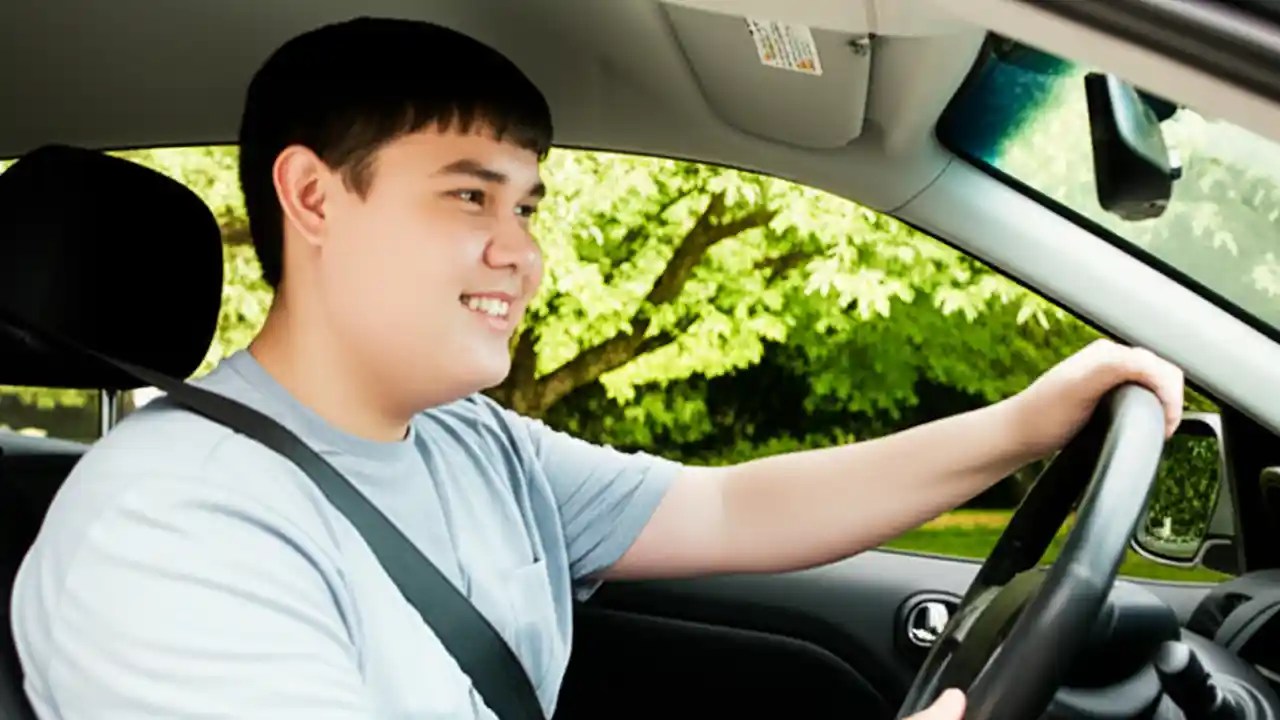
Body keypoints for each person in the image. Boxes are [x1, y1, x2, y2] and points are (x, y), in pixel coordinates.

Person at [9, 16, 1184, 720]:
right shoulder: (167, 525)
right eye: (468, 197)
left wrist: (1023, 424)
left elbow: (727, 508)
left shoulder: (470, 441)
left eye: (524, 206)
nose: (521, 256)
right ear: (314, 197)